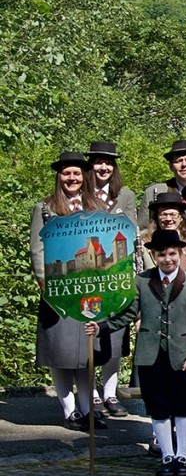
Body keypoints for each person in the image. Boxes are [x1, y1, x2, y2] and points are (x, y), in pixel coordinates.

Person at [94, 230, 186, 476]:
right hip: (150, 355)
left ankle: (182, 456)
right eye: (161, 254)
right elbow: (127, 314)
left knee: (184, 405)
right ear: (154, 256)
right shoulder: (141, 281)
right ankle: (167, 455)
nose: (168, 259)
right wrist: (101, 327)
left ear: (180, 254)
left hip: (183, 356)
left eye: (172, 254)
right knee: (158, 406)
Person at [32, 152, 109, 429]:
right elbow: (37, 249)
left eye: (76, 173)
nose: (72, 178)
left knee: (87, 354)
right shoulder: (45, 208)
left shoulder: (97, 207)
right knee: (62, 353)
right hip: (60, 291)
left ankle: (88, 409)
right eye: (66, 173)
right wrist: (46, 284)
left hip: (91, 290)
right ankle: (70, 411)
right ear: (59, 176)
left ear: (84, 176)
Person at [83, 140, 137, 215]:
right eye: (99, 162)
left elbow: (130, 222)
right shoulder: (81, 193)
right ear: (90, 165)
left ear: (114, 167)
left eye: (109, 163)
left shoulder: (126, 196)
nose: (104, 168)